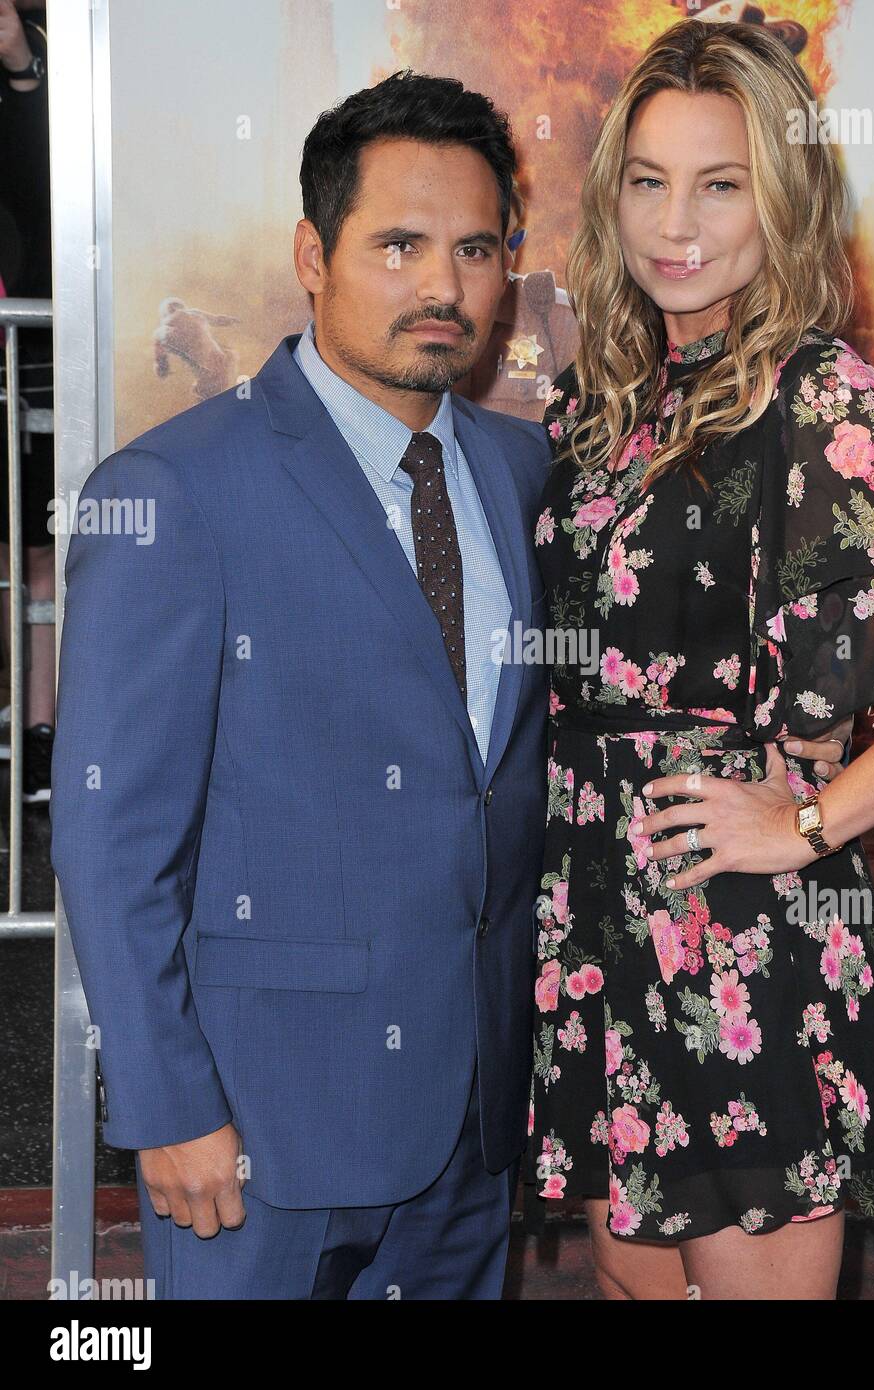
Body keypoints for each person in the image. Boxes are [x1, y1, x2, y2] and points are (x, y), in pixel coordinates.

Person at [526, 18, 874, 1300]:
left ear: (783, 200)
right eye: (647, 181)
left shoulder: (819, 396)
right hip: (596, 917)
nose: (676, 223)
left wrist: (808, 822)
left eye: (720, 184)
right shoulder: (605, 399)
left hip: (733, 932)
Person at [51, 71, 557, 1301]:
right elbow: (113, 837)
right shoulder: (173, 491)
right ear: (311, 255)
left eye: (473, 248)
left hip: (475, 1125)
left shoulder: (520, 468)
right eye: (398, 244)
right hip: (256, 1132)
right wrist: (167, 1106)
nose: (441, 287)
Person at [0, 0, 53, 801]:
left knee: (35, 557)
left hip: (30, 365)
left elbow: (44, 186)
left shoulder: (34, 83)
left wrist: (17, 57)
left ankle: (38, 737)